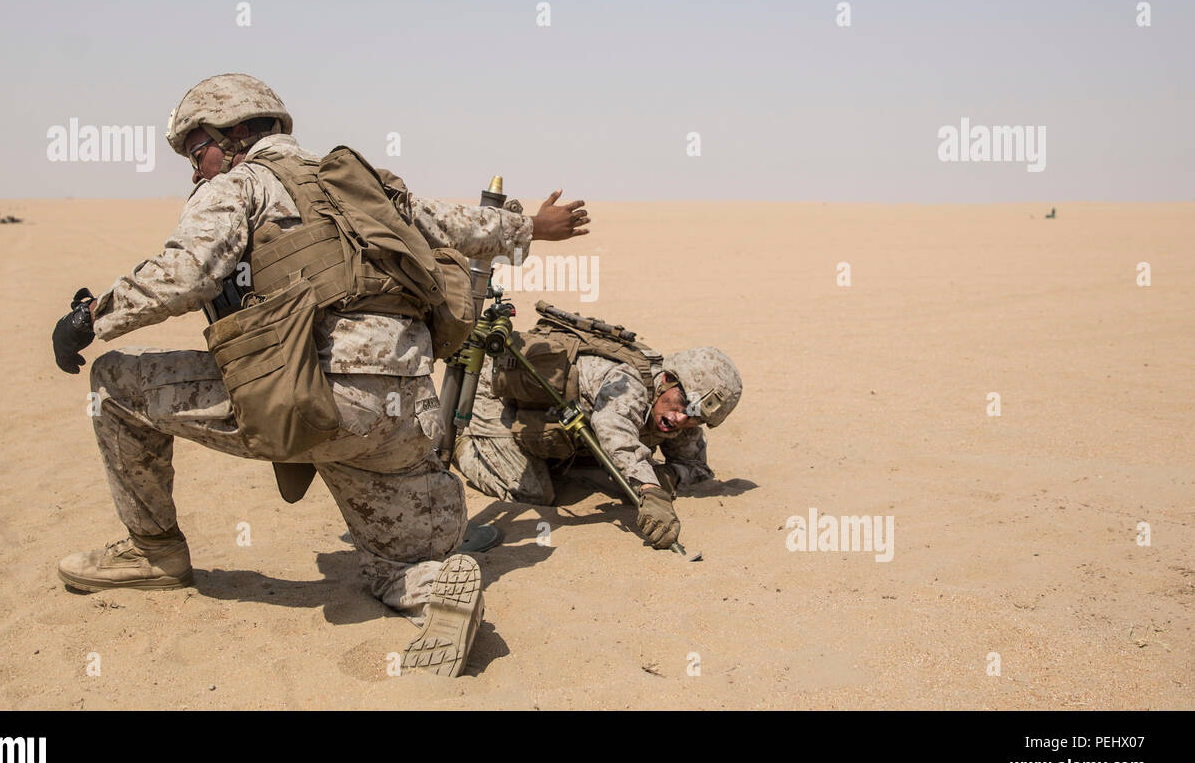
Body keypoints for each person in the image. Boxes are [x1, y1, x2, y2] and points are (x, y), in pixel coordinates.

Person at [49, 73, 589, 676]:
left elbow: (186, 271)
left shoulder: (242, 183)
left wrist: (90, 317)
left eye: (195, 149)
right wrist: (535, 227)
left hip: (316, 398)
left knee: (114, 385)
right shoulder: (364, 185)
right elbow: (456, 223)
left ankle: (153, 553)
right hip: (407, 410)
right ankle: (433, 589)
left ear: (235, 135)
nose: (194, 168)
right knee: (397, 563)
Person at [454, 308, 741, 550]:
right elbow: (613, 428)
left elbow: (698, 468)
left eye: (695, 417)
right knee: (533, 493)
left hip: (548, 412)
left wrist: (668, 475)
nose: (680, 419)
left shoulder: (682, 413)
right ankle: (464, 447)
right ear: (667, 379)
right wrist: (651, 487)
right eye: (682, 404)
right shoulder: (628, 382)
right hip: (496, 394)